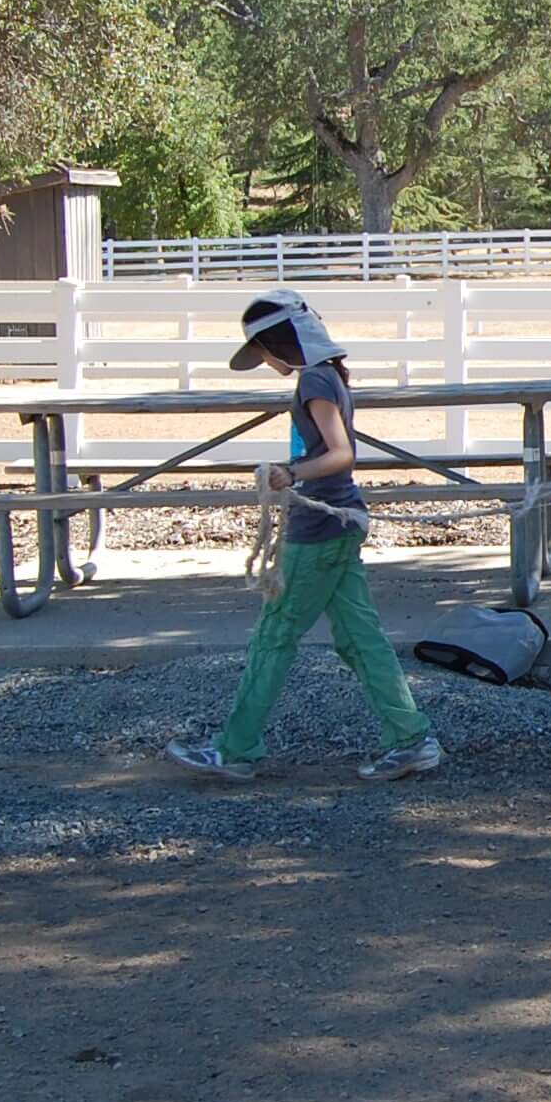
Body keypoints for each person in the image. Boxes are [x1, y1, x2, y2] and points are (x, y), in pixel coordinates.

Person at [167, 290, 445, 784]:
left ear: (281, 342)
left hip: (318, 529)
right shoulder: (327, 375)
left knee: (276, 635)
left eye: (266, 351)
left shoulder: (315, 379)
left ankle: (235, 749)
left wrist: (290, 474)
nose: (267, 362)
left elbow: (340, 453)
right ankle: (410, 739)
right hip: (337, 524)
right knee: (362, 640)